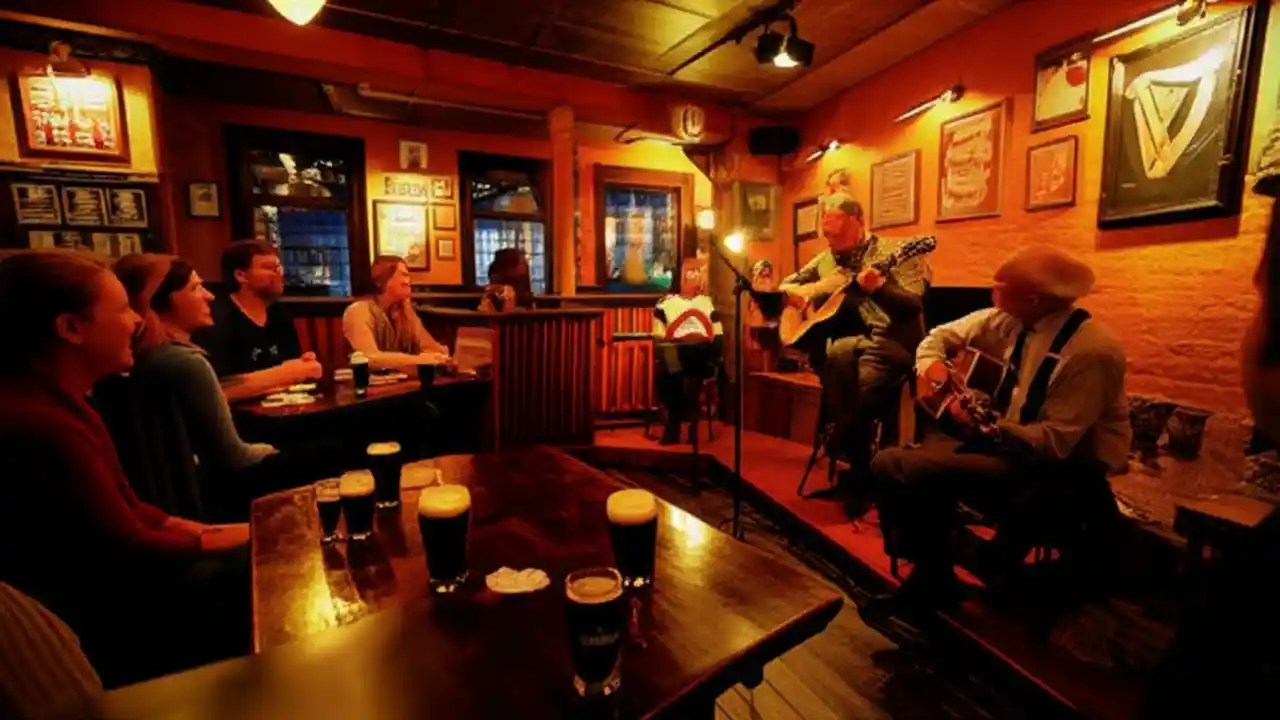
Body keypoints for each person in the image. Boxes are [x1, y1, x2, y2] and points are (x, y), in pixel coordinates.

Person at [0, 250, 250, 686]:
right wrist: (246, 542)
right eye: (122, 310)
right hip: (96, 632)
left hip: (115, 593)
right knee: (245, 581)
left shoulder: (69, 404)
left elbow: (137, 510)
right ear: (71, 328)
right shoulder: (38, 424)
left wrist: (235, 531)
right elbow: (128, 544)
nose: (137, 321)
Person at [865, 245, 1130, 615]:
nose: (992, 290)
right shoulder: (1009, 320)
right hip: (1005, 446)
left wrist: (987, 425)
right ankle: (935, 575)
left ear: (1033, 298)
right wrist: (936, 372)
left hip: (1059, 473)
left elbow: (1053, 444)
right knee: (903, 465)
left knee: (900, 465)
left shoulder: (1091, 352)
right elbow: (936, 339)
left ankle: (945, 571)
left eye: (1000, 285)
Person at [116, 254, 337, 521]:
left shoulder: (144, 358)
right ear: (160, 301)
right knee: (337, 452)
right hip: (216, 498)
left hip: (183, 497)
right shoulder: (181, 360)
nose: (209, 296)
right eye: (195, 288)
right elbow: (234, 457)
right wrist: (274, 450)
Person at [779, 194, 929, 509]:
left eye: (835, 232)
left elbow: (911, 307)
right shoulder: (827, 258)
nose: (829, 241)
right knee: (838, 358)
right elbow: (790, 284)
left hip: (894, 340)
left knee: (851, 387)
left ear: (858, 220)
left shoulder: (898, 252)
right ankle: (853, 456)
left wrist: (880, 288)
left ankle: (856, 463)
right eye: (826, 234)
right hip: (849, 345)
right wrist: (793, 295)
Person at [191, 240, 322, 401]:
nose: (278, 272)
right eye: (268, 267)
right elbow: (218, 388)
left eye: (278, 267)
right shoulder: (217, 319)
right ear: (241, 275)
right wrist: (287, 373)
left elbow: (296, 366)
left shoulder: (279, 314)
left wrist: (303, 367)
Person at [652, 258, 723, 444]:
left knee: (694, 376)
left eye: (697, 272)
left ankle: (692, 424)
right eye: (690, 272)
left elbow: (718, 333)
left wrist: (716, 354)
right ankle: (674, 425)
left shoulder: (707, 304)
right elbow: (658, 335)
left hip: (701, 352)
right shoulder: (664, 304)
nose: (695, 276)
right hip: (674, 350)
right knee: (670, 371)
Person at [343, 255, 450, 370]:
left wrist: (441, 355)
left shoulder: (405, 312)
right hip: (364, 385)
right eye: (404, 275)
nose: (409, 281)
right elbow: (369, 358)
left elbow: (431, 348)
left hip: (400, 383)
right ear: (382, 280)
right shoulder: (358, 311)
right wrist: (424, 360)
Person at [479, 247, 535, 313]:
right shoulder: (497, 284)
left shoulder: (521, 279)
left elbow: (528, 303)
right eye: (521, 263)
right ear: (510, 266)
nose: (525, 266)